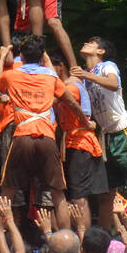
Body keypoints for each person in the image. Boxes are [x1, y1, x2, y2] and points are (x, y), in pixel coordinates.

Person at [0, 34, 93, 229]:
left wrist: (1, 57)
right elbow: (71, 102)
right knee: (58, 193)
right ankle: (66, 239)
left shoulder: (11, 75)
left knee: (7, 191)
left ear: (22, 57)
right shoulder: (51, 77)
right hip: (46, 138)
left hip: (22, 137)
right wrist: (86, 122)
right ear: (42, 56)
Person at [72, 37, 127, 216]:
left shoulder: (107, 66)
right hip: (105, 137)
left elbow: (113, 84)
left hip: (124, 132)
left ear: (101, 51)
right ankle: (105, 237)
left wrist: (85, 75)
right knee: (106, 195)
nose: (85, 43)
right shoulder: (84, 75)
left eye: (91, 42)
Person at [51, 52, 108, 233]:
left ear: (60, 66)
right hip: (74, 144)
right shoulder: (69, 85)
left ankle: (85, 241)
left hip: (80, 144)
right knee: (77, 196)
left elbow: (50, 99)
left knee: (79, 197)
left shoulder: (72, 87)